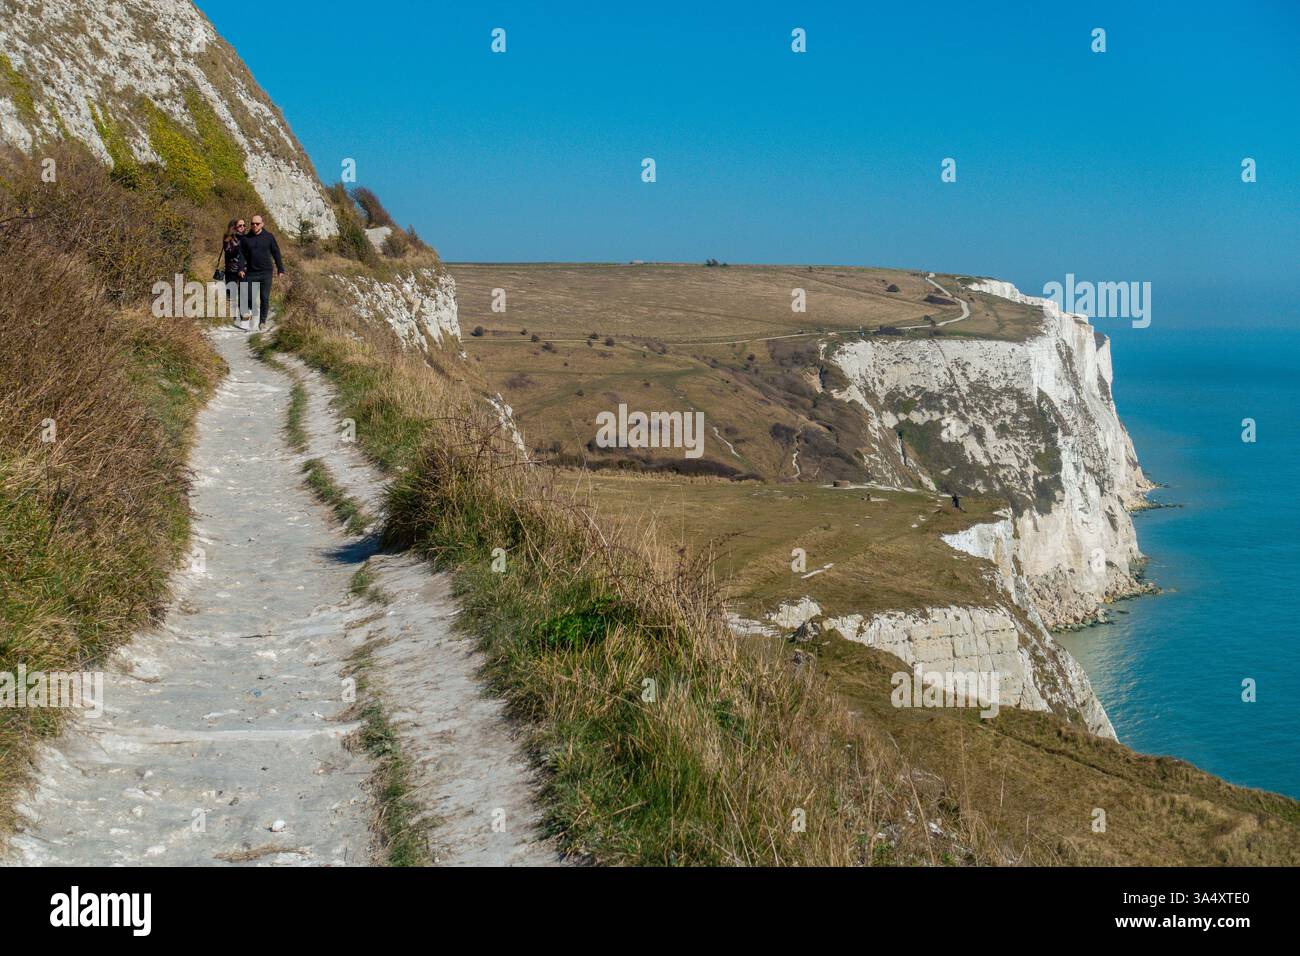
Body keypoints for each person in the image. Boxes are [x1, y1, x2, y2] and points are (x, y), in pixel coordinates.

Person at [238, 214, 285, 331]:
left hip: (266, 273)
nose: (254, 225)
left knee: (264, 297)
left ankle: (262, 322)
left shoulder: (269, 237)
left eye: (257, 223)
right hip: (251, 272)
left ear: (262, 224)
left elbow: (276, 253)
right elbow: (242, 255)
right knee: (248, 295)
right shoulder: (246, 238)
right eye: (252, 223)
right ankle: (248, 312)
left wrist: (280, 269)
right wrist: (240, 269)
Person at [220, 218, 248, 328]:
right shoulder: (228, 238)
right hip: (231, 269)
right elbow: (228, 251)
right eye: (240, 225)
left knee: (244, 291)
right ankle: (233, 314)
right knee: (232, 294)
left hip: (243, 269)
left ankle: (242, 314)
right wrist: (239, 245)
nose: (243, 227)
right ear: (234, 227)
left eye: (244, 225)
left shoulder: (245, 238)